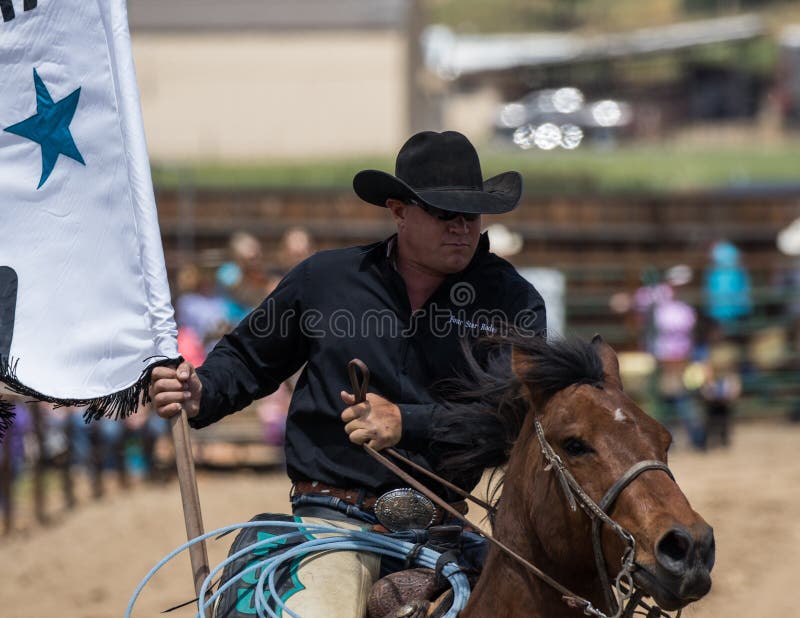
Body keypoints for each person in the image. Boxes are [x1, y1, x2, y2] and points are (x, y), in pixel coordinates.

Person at [150, 131, 546, 617]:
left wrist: (408, 421)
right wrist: (200, 388)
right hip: (334, 523)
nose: (461, 228)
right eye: (445, 213)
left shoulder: (512, 302)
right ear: (398, 210)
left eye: (471, 215)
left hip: (446, 530)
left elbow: (511, 418)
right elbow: (249, 359)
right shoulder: (324, 280)